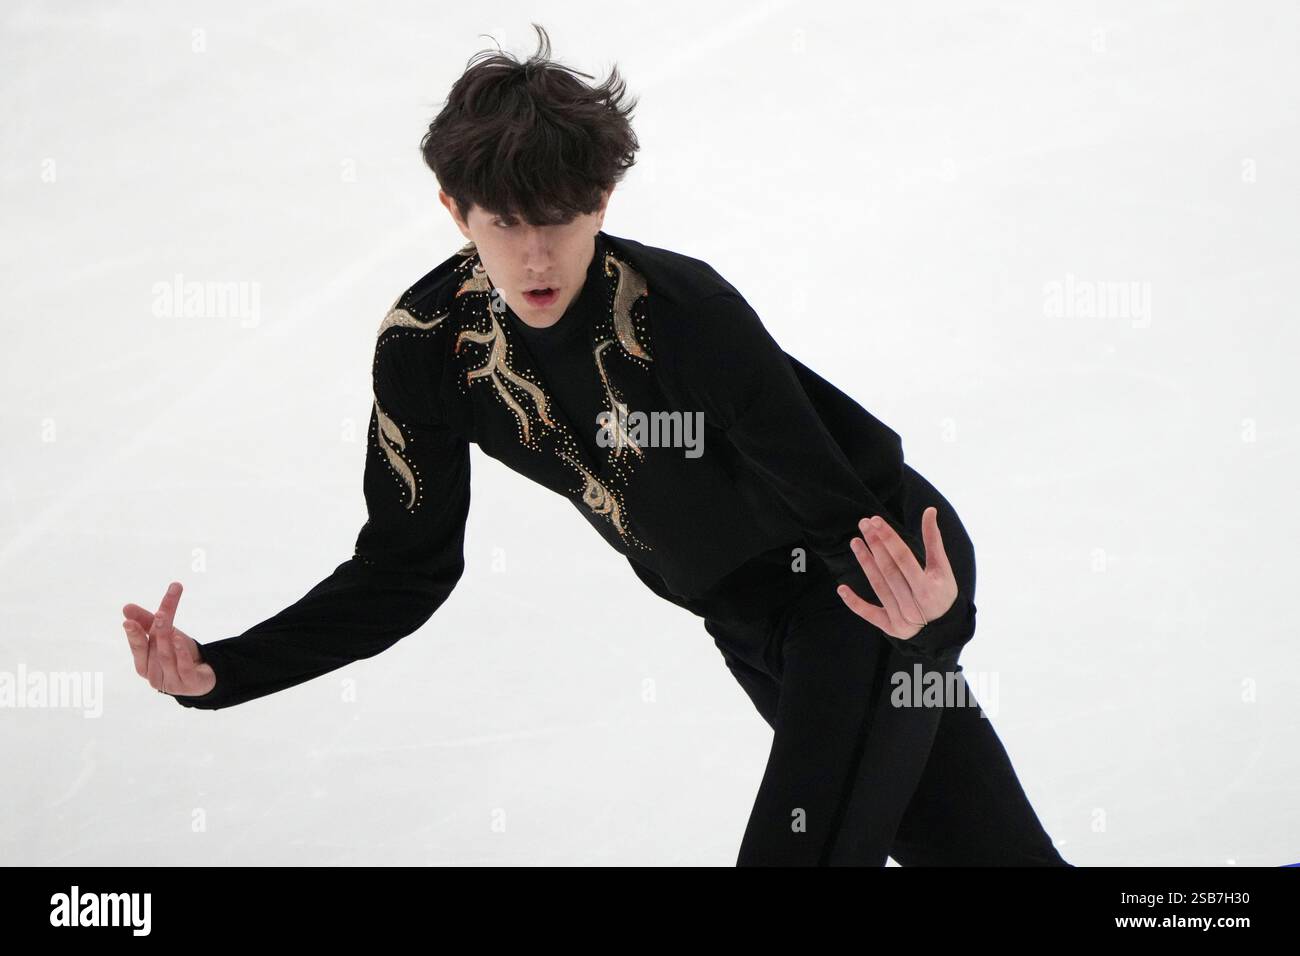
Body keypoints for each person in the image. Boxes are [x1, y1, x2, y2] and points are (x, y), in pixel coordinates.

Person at [120, 23, 1070, 867]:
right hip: (742, 617)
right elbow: (402, 571)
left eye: (561, 223)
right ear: (455, 210)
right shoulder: (428, 350)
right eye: (506, 225)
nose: (536, 259)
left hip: (865, 586)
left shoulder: (682, 317)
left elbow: (844, 514)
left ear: (603, 199)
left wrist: (933, 626)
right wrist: (223, 669)